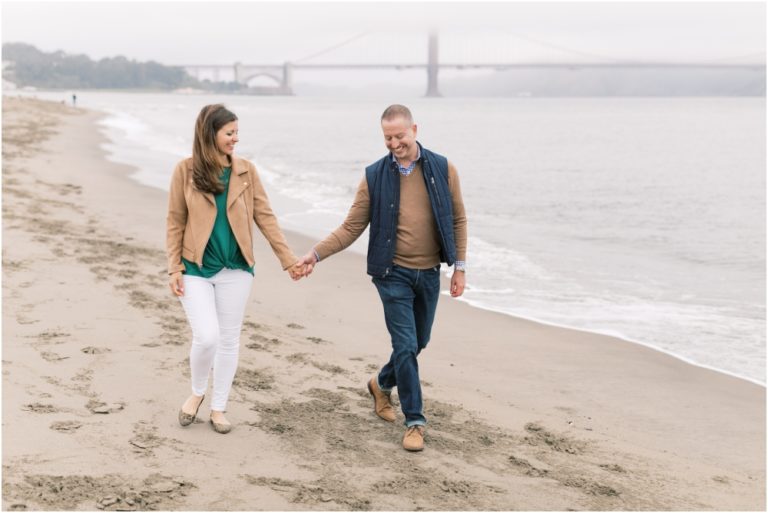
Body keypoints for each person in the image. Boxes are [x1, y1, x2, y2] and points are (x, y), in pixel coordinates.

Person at [296, 104, 467, 451]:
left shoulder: (443, 167)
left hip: (430, 272)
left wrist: (459, 266)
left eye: (400, 136)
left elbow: (459, 219)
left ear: (415, 130)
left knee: (418, 344)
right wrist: (314, 254)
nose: (394, 143)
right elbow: (351, 227)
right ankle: (415, 421)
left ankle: (380, 384)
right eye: (388, 138)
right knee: (405, 345)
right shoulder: (375, 176)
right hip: (392, 274)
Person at [167, 104, 303, 434]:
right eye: (229, 133)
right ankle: (198, 392)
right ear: (209, 133)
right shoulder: (185, 171)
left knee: (228, 340)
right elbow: (175, 221)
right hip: (195, 268)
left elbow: (265, 217)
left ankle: (218, 408)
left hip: (237, 269)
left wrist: (288, 260)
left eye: (237, 133)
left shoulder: (246, 172)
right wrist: (174, 268)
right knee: (207, 336)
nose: (235, 139)